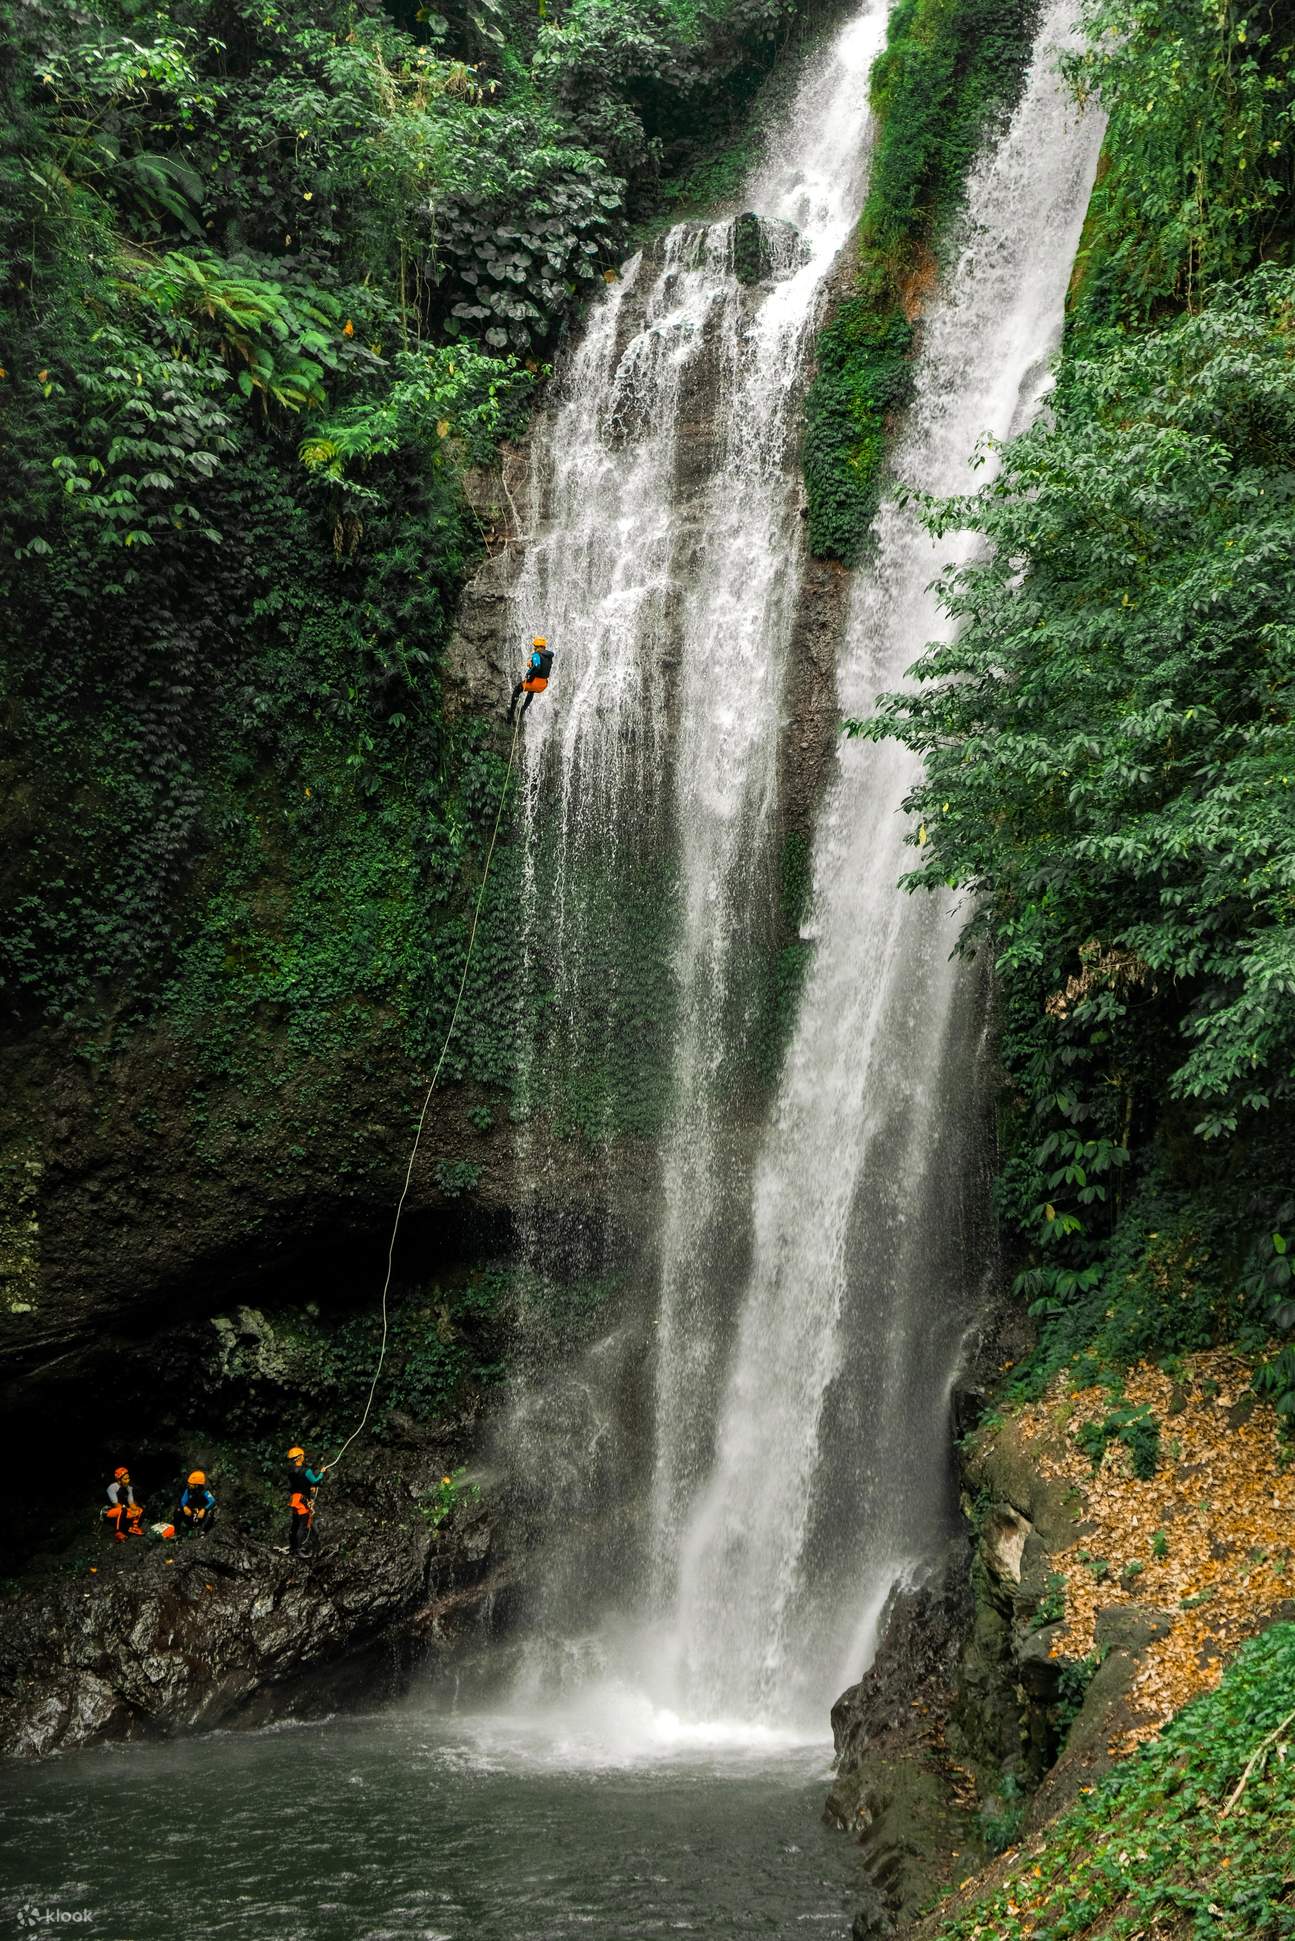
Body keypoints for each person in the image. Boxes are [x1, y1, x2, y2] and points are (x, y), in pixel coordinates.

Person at [286, 1446, 326, 1557]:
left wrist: (309, 1487)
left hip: (294, 1499)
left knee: (295, 1524)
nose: (304, 1457)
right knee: (302, 1525)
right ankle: (298, 1550)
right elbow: (315, 1480)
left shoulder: (290, 1471)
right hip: (302, 1500)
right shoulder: (306, 1470)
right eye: (302, 1456)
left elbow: (298, 1483)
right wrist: (322, 1473)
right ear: (299, 1458)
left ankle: (293, 1547)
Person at [507, 636, 555, 723]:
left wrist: (529, 675)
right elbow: (542, 667)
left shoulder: (536, 654)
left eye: (534, 646)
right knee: (531, 691)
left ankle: (511, 714)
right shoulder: (549, 657)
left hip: (535, 682)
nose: (534, 648)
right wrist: (531, 665)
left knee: (517, 689)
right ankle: (523, 710)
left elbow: (537, 666)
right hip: (542, 685)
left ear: (537, 646)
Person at [104, 1466, 144, 1542]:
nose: (128, 1480)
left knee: (139, 1509)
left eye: (128, 1478)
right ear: (119, 1480)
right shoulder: (112, 1488)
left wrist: (135, 1510)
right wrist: (129, 1510)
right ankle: (118, 1532)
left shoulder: (129, 1488)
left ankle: (134, 1527)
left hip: (124, 1509)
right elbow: (116, 1505)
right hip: (110, 1511)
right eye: (125, 1479)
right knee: (123, 1510)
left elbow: (131, 1503)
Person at [176, 1470, 218, 1537]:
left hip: (201, 1515)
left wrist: (204, 1509)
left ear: (197, 1485)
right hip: (191, 1514)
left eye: (191, 1484)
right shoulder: (188, 1490)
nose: (189, 1485)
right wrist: (184, 1507)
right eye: (189, 1483)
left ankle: (202, 1531)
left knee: (210, 1512)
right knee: (178, 1509)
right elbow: (183, 1500)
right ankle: (177, 1530)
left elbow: (212, 1501)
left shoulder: (204, 1491)